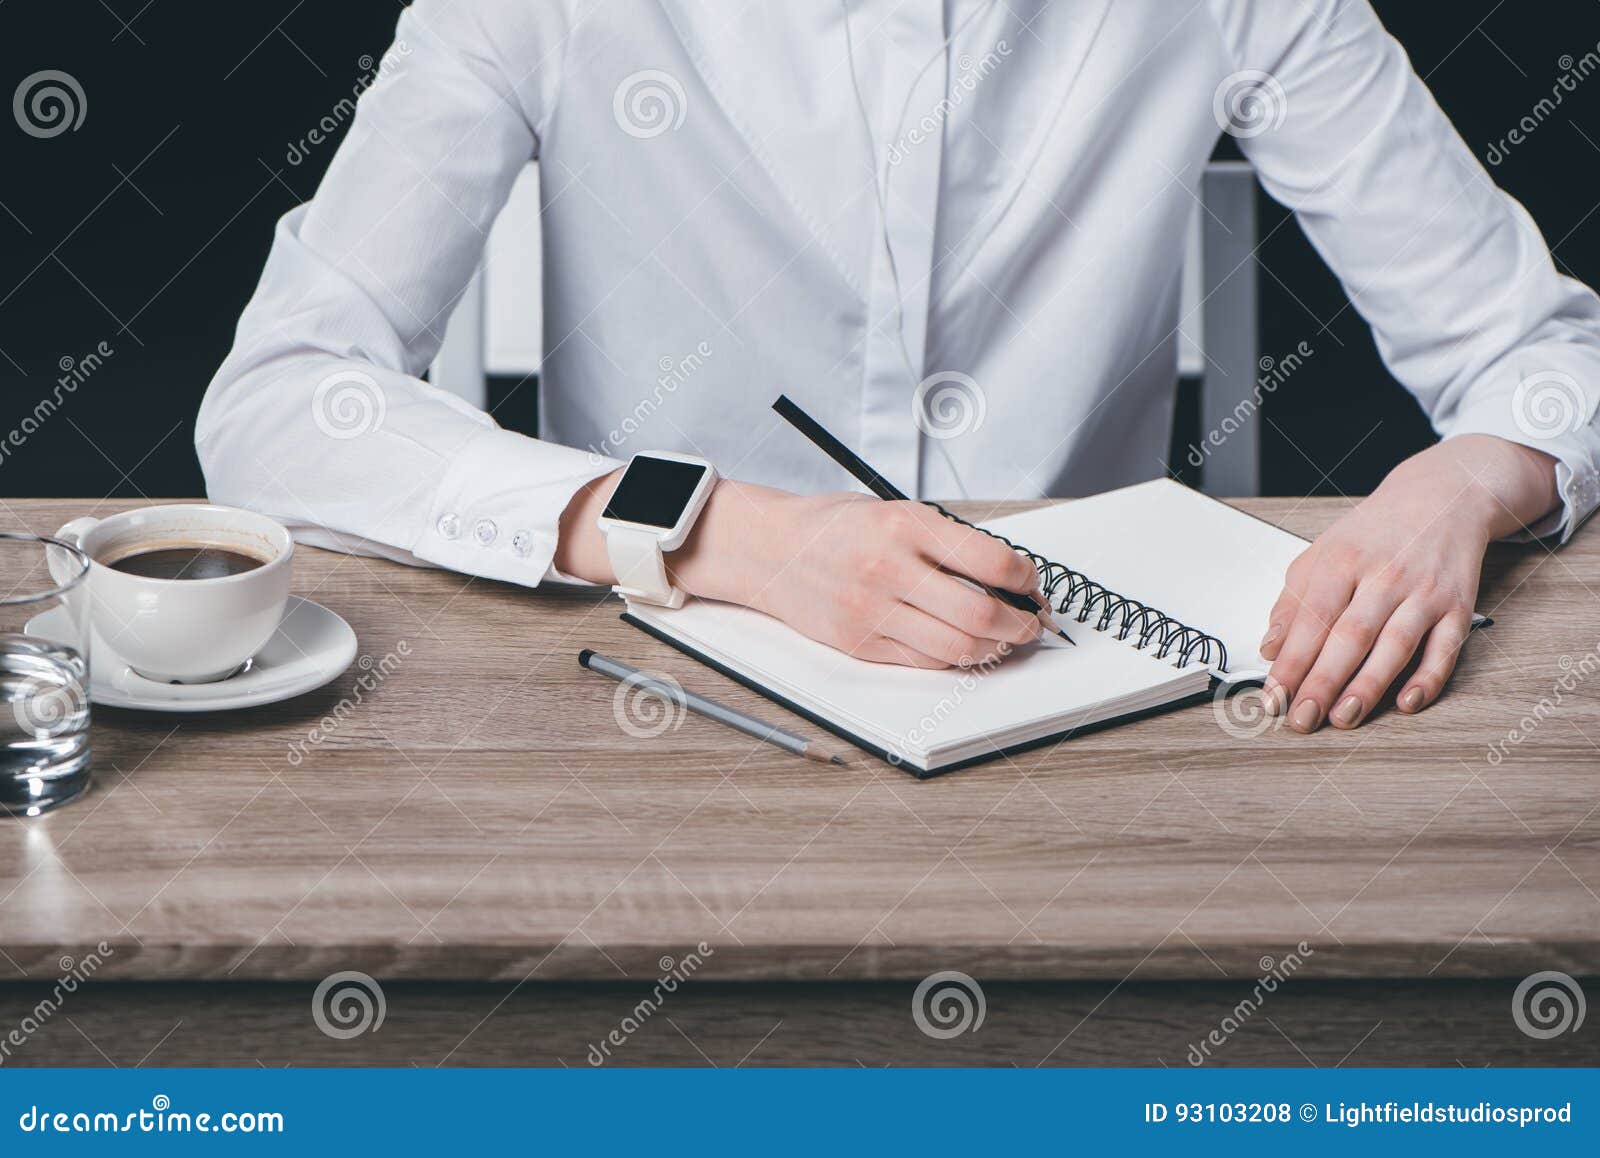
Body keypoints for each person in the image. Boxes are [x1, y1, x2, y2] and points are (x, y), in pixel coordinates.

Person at [198, 0, 1600, 734]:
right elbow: (280, 403)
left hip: (1089, 731)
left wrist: (1460, 481)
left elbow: (1545, 348)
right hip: (656, 724)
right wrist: (725, 533)